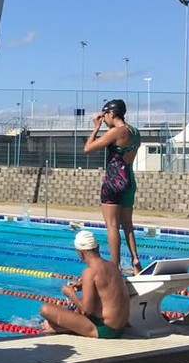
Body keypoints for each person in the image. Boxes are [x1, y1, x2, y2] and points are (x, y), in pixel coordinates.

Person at [84, 99, 142, 273]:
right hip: (129, 180)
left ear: (112, 113)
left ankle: (115, 267)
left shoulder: (116, 132)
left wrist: (96, 128)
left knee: (112, 225)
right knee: (128, 224)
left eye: (104, 115)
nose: (103, 119)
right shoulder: (134, 131)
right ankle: (136, 261)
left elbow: (88, 148)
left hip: (114, 180)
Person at [39, 229, 130, 339]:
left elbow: (87, 309)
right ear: (97, 247)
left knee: (45, 309)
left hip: (105, 329)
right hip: (120, 327)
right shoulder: (112, 265)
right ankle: (63, 328)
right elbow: (106, 288)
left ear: (80, 253)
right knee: (80, 303)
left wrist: (71, 294)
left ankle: (63, 329)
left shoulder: (89, 272)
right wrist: (83, 285)